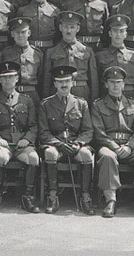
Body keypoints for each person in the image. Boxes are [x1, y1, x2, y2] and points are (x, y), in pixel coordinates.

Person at [91, 65, 134, 219]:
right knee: (107, 157)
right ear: (106, 84)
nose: (115, 85)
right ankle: (110, 200)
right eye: (112, 82)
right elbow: (98, 132)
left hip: (130, 145)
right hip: (109, 145)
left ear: (124, 84)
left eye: (119, 82)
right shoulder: (98, 105)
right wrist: (114, 146)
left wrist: (129, 146)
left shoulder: (133, 104)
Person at [0, 60, 40, 213]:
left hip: (22, 144)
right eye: (4, 77)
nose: (8, 80)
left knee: (34, 158)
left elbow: (33, 126)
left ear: (17, 78)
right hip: (2, 143)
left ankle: (27, 196)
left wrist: (26, 139)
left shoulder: (27, 100)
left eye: (11, 77)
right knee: (0, 157)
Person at [37, 65, 95, 215]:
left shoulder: (81, 103)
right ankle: (53, 196)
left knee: (87, 155)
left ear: (72, 83)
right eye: (60, 82)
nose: (64, 85)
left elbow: (88, 130)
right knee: (50, 153)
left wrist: (78, 144)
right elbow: (43, 132)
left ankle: (85, 197)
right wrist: (58, 144)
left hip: (75, 144)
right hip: (56, 144)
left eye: (67, 81)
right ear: (54, 84)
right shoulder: (45, 104)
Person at [95, 14, 134, 99]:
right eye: (115, 31)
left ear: (126, 34)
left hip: (129, 94)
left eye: (121, 31)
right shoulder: (100, 56)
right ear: (110, 33)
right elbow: (97, 81)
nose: (118, 34)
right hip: (107, 95)